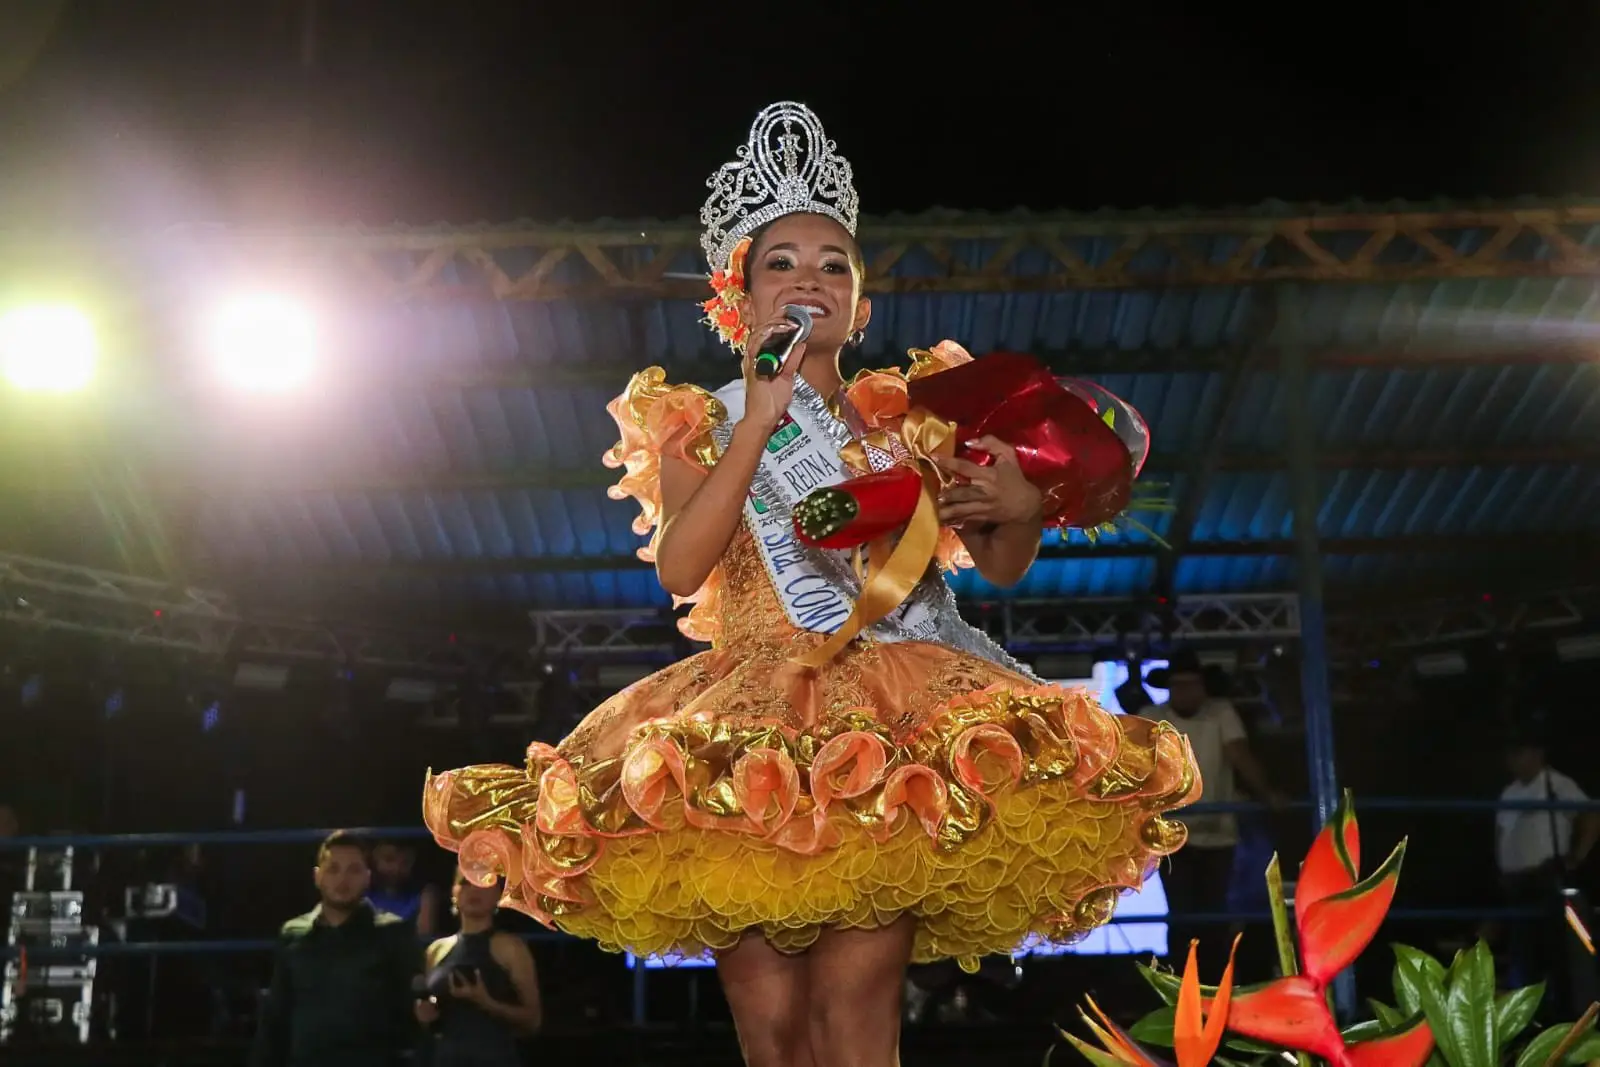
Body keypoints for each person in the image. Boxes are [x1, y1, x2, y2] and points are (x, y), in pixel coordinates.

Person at [423, 100, 1199, 1067]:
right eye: (781, 262)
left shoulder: (910, 421)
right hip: (749, 729)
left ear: (861, 307)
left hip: (891, 718)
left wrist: (1021, 503)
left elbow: (996, 563)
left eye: (835, 265)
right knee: (774, 1028)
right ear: (738, 299)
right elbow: (682, 566)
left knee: (854, 1011)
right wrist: (760, 419)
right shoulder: (700, 421)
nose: (809, 278)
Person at [1146, 650, 1285, 972]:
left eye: (1191, 685)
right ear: (1170, 689)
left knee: (1213, 914)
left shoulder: (1221, 712)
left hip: (1218, 833)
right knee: (1182, 915)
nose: (1185, 692)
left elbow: (1239, 755)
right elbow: (1137, 766)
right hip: (1172, 836)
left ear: (1203, 687)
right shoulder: (1152, 717)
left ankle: (1214, 984)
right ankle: (1182, 984)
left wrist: (1267, 793)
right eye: (1179, 686)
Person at [250, 832, 420, 1067]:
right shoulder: (293, 933)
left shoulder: (392, 933)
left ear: (367, 877)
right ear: (317, 876)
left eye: (353, 870)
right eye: (333, 869)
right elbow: (275, 1016)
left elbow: (410, 1016)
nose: (343, 879)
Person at [1496, 733, 1599, 1007]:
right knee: (1523, 949)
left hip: (1546, 878)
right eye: (1511, 754)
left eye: (1519, 753)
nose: (1512, 761)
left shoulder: (1556, 784)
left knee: (1555, 948)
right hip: (1516, 882)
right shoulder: (1510, 791)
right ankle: (1529, 1009)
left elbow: (1591, 815)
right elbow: (1501, 833)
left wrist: (1576, 857)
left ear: (1537, 754)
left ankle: (1563, 1008)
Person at [416, 868, 542, 1066]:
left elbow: (532, 1021)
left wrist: (487, 1003)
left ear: (498, 893)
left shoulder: (511, 948)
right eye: (465, 882)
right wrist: (425, 1016)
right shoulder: (436, 950)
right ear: (454, 892)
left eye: (484, 882)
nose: (474, 889)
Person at [369, 838, 442, 939]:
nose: (396, 869)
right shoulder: (361, 893)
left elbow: (423, 939)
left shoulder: (423, 895)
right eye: (389, 859)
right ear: (374, 858)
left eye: (405, 862)